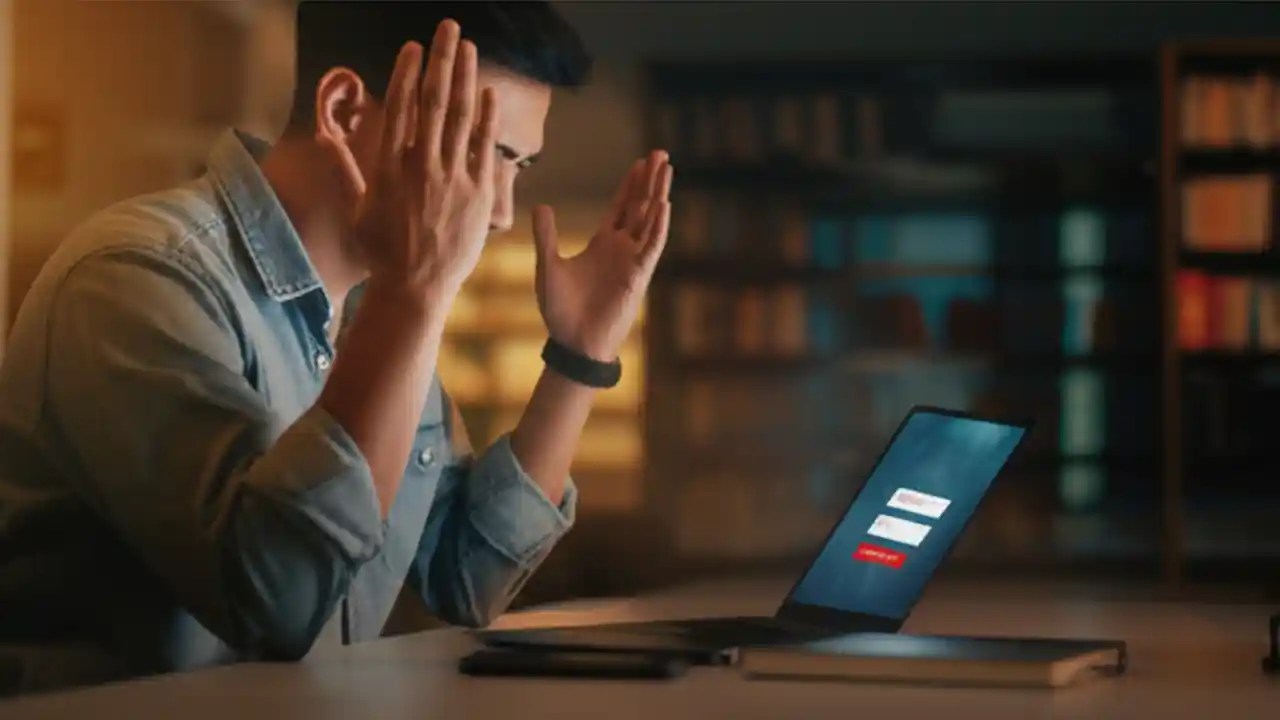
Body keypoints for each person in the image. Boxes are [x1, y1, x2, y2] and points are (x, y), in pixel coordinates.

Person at [0, 1, 671, 695]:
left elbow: (460, 573)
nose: (500, 209)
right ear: (346, 111)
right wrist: (412, 296)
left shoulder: (367, 309)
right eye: (480, 154)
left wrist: (578, 358)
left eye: (519, 166)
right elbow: (277, 604)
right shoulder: (135, 280)